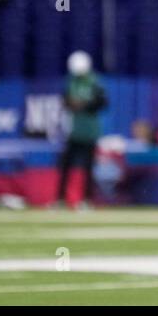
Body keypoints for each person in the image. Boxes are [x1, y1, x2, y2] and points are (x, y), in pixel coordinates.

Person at [55, 50, 107, 209]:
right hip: (74, 130)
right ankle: (61, 199)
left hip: (89, 131)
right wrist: (71, 104)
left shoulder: (94, 82)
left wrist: (83, 105)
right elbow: (64, 100)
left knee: (88, 168)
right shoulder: (71, 82)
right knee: (65, 166)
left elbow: (102, 103)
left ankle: (86, 199)